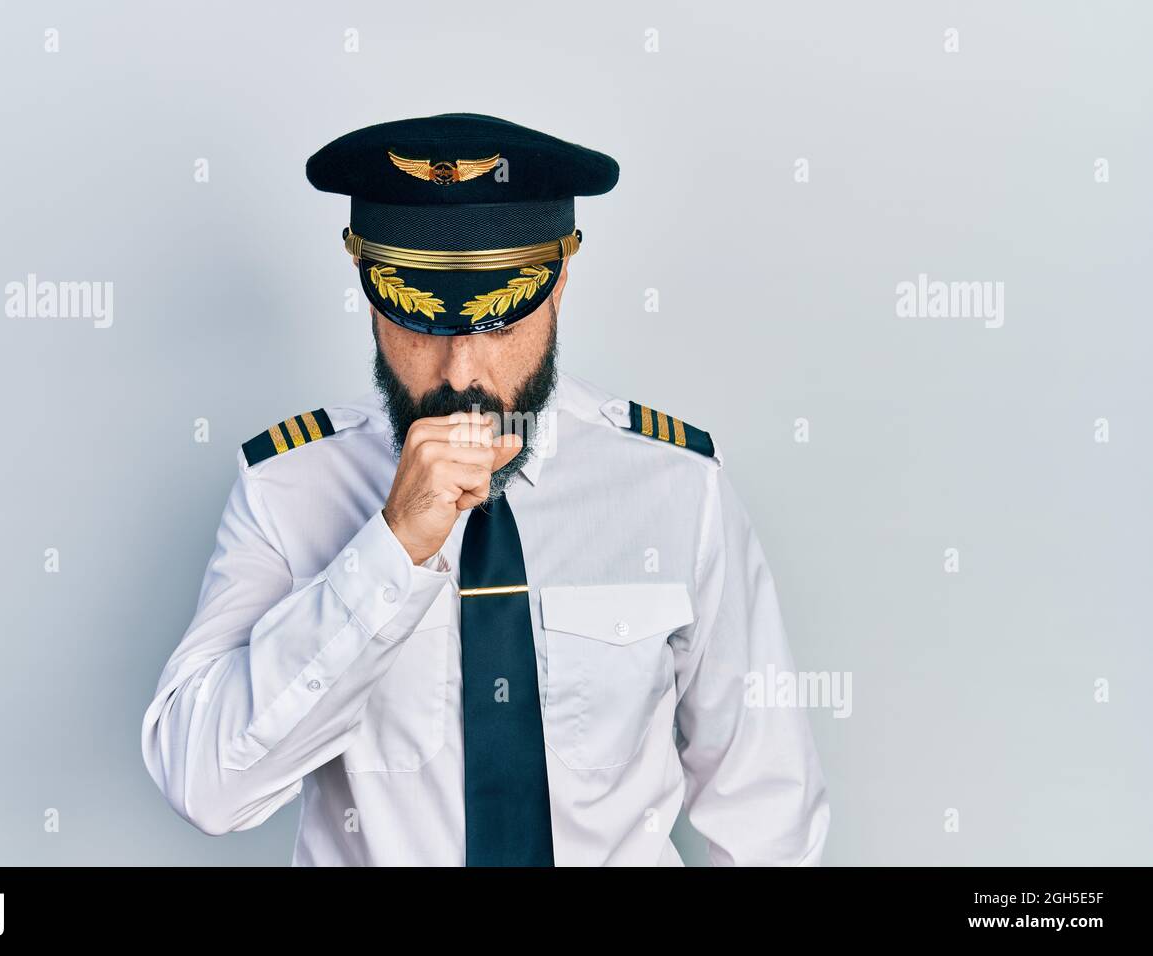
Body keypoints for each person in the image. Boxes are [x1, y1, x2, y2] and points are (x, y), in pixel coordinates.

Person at [141, 113, 829, 866]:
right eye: (425, 319)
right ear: (370, 290)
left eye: (499, 321)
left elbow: (767, 809)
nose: (461, 374)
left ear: (559, 279)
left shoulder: (676, 486)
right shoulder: (287, 489)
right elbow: (205, 783)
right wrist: (391, 549)